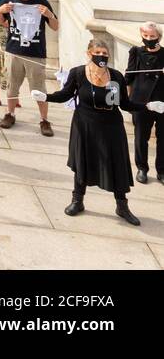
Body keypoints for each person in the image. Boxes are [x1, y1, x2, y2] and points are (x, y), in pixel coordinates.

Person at [40, 38, 164, 226]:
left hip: (112, 126)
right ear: (89, 54)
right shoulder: (78, 73)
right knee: (83, 161)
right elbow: (65, 95)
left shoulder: (115, 76)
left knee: (117, 165)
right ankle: (77, 201)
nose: (101, 57)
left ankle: (122, 206)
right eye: (97, 53)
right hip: (85, 125)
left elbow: (125, 104)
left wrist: (148, 106)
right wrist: (45, 97)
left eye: (105, 54)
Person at [0, 0, 58, 136]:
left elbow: (55, 26)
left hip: (36, 53)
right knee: (12, 86)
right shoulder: (9, 0)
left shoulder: (42, 3)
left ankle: (44, 120)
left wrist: (49, 15)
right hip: (14, 50)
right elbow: (0, 22)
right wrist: (1, 11)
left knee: (39, 89)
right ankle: (10, 114)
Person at [127, 21, 164, 184]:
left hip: (162, 101)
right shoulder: (135, 51)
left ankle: (162, 171)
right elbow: (129, 76)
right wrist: (129, 101)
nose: (149, 38)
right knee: (141, 137)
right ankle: (142, 168)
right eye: (146, 35)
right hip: (141, 102)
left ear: (159, 37)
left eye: (152, 36)